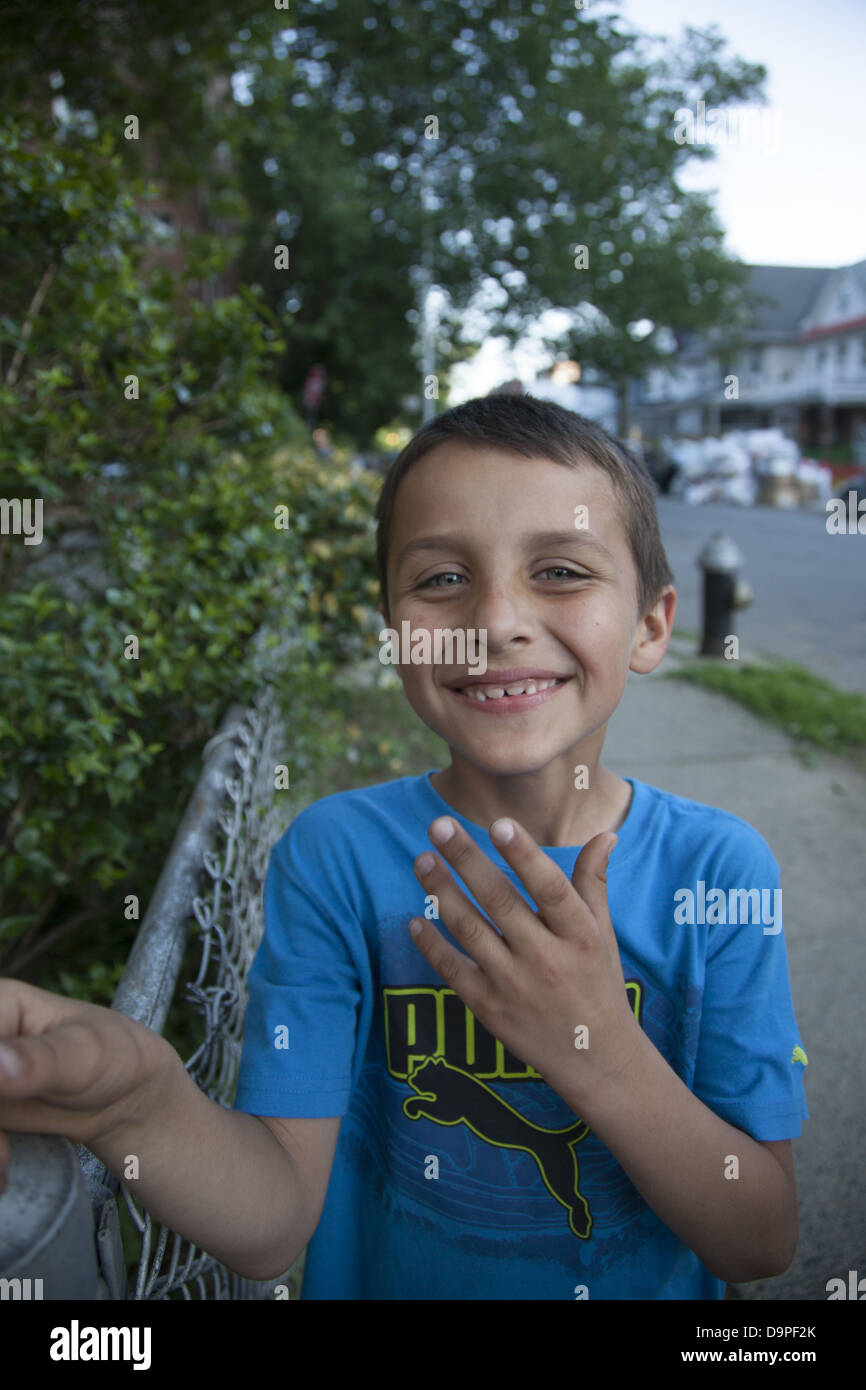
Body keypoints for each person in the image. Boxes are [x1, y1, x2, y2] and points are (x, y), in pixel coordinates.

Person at [0, 395, 808, 1299]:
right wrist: (136, 1104)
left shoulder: (723, 873)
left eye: (562, 571)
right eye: (441, 581)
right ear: (392, 628)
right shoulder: (335, 859)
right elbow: (269, 1230)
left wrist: (595, 1048)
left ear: (652, 625)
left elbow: (760, 1238)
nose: (495, 621)